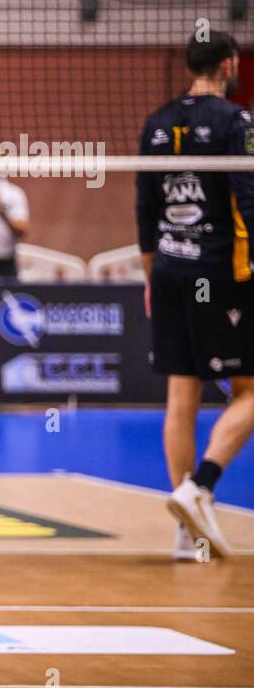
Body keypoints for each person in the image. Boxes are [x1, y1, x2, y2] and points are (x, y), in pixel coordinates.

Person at [137, 30, 254, 560]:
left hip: (166, 270)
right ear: (229, 65)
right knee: (250, 389)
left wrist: (148, 274)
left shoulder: (156, 122)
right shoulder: (237, 121)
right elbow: (249, 200)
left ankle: (188, 536)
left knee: (181, 394)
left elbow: (144, 209)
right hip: (221, 271)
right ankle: (198, 487)